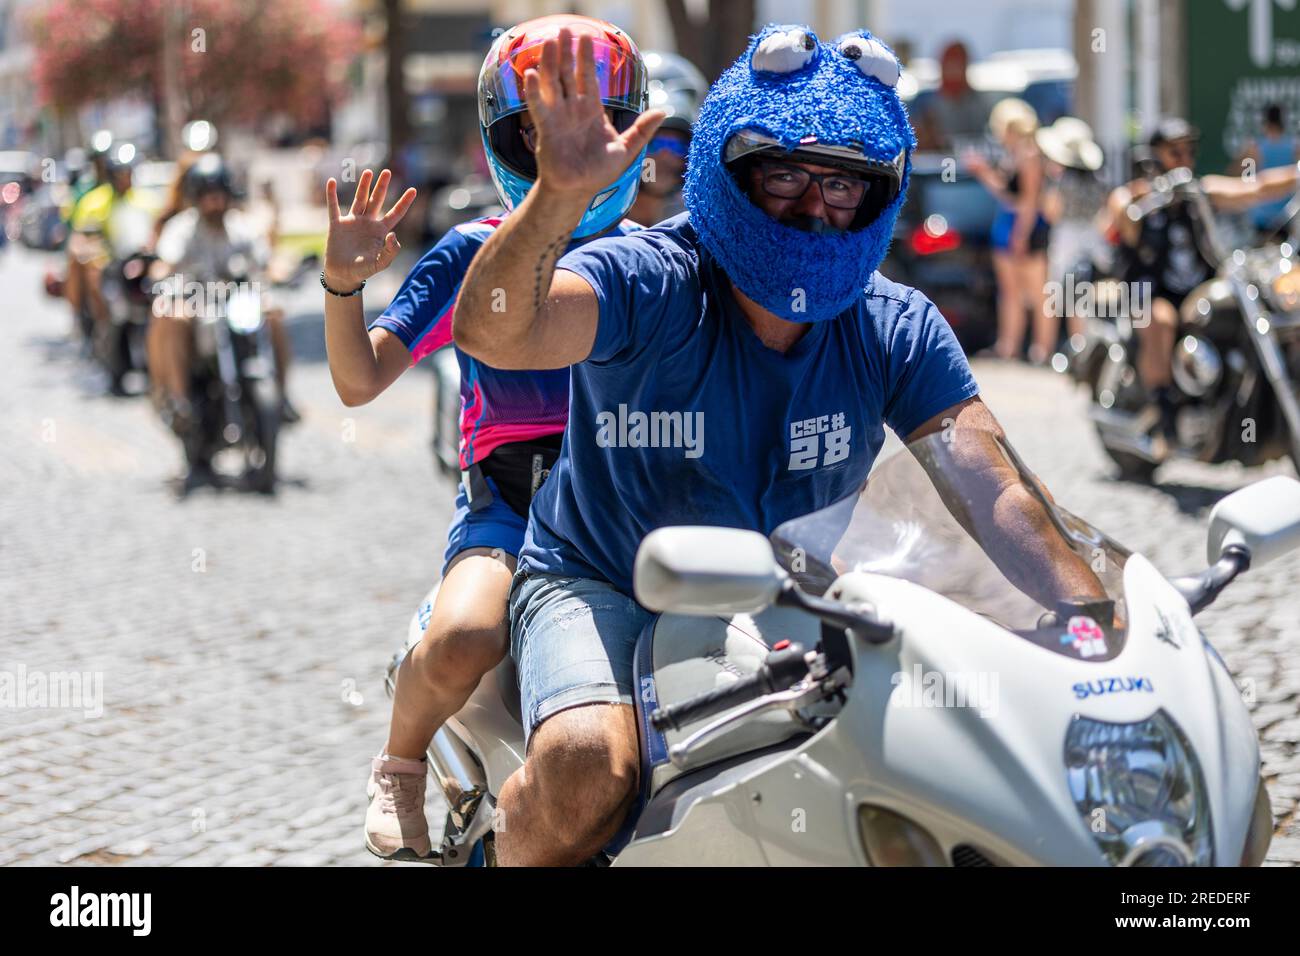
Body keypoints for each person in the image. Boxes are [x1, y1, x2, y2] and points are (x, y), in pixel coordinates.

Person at [452, 24, 1112, 866]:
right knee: (589, 763)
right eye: (786, 175)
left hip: (789, 594)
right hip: (602, 577)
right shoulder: (650, 276)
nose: (813, 206)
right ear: (732, 171)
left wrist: (1092, 634)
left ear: (878, 197)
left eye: (844, 188)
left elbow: (997, 489)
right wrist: (557, 198)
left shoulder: (893, 323)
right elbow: (496, 332)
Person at [318, 14, 649, 862]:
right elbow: (360, 381)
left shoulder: (661, 258)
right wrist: (341, 287)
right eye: (536, 130)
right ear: (507, 139)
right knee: (469, 634)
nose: (562, 148)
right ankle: (398, 762)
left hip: (633, 507)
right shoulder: (471, 252)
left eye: (588, 123)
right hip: (511, 504)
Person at [1098, 117, 1300, 447]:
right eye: (1174, 152)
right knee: (1160, 319)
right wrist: (1141, 199)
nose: (1184, 159)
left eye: (1189, 151)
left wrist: (1297, 174)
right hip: (1151, 293)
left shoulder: (1198, 191)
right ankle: (1166, 416)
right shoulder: (1141, 197)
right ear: (1155, 156)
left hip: (1197, 290)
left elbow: (1254, 187)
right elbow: (1119, 212)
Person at [146, 153, 299, 433]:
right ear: (196, 197)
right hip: (198, 303)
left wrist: (280, 270)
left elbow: (265, 259)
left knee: (275, 313)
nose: (214, 202)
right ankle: (181, 401)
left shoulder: (242, 226)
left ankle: (282, 394)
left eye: (218, 195)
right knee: (175, 318)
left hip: (238, 302)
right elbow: (166, 260)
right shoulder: (182, 228)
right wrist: (159, 271)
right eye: (207, 196)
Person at [966, 98, 1054, 363]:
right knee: (1010, 291)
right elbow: (1007, 194)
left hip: (1023, 225)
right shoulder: (1014, 154)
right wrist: (983, 173)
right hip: (1009, 221)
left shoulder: (1029, 154)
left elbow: (1029, 199)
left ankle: (1042, 348)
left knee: (1037, 290)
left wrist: (1021, 234)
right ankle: (1009, 345)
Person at [1036, 116, 1107, 347]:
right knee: (1082, 296)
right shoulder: (1098, 178)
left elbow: (1051, 212)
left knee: (1056, 294)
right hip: (1093, 238)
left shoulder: (1060, 180)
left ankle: (1045, 348)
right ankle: (1082, 345)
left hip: (1066, 238)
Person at [625, 51, 705, 226]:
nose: (666, 156)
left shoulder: (695, 228)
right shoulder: (590, 223)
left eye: (678, 145)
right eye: (655, 143)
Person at [913, 41, 991, 152]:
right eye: (949, 65)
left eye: (957, 65)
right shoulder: (924, 102)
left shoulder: (977, 103)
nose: (953, 71)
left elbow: (983, 141)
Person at [1234, 104, 1298, 239]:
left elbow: (1245, 179)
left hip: (1263, 219)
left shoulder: (1255, 149)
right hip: (1286, 218)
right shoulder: (1294, 148)